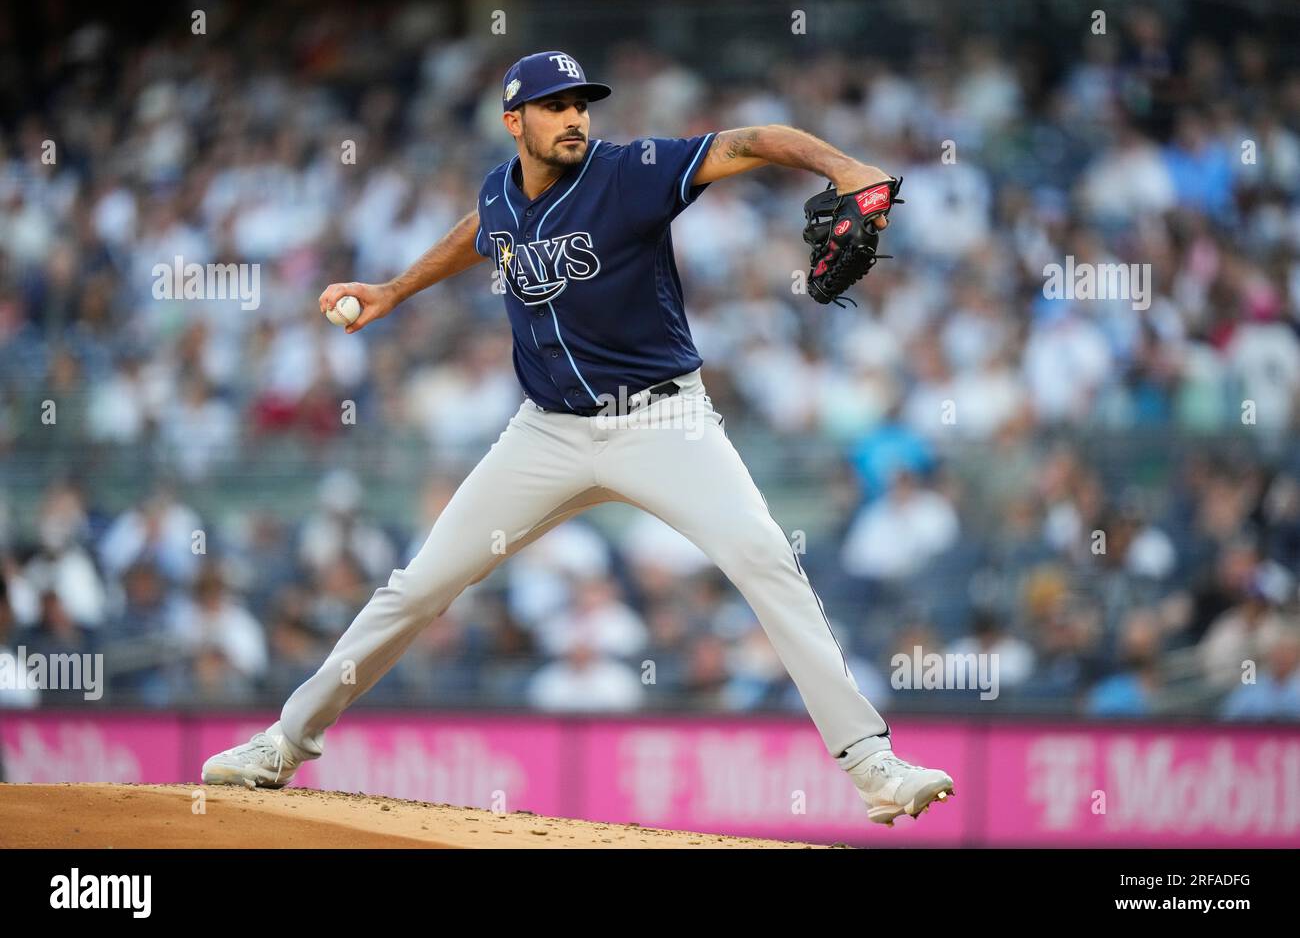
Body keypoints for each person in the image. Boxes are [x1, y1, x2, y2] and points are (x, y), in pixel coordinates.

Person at [202, 50, 953, 827]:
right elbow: (484, 231)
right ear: (513, 121)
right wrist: (393, 290)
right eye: (554, 105)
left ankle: (873, 765)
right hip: (547, 434)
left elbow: (752, 140)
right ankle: (284, 744)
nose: (573, 118)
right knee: (420, 586)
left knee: (766, 560)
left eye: (580, 104)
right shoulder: (501, 190)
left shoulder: (629, 172)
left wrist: (847, 166)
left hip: (662, 421)